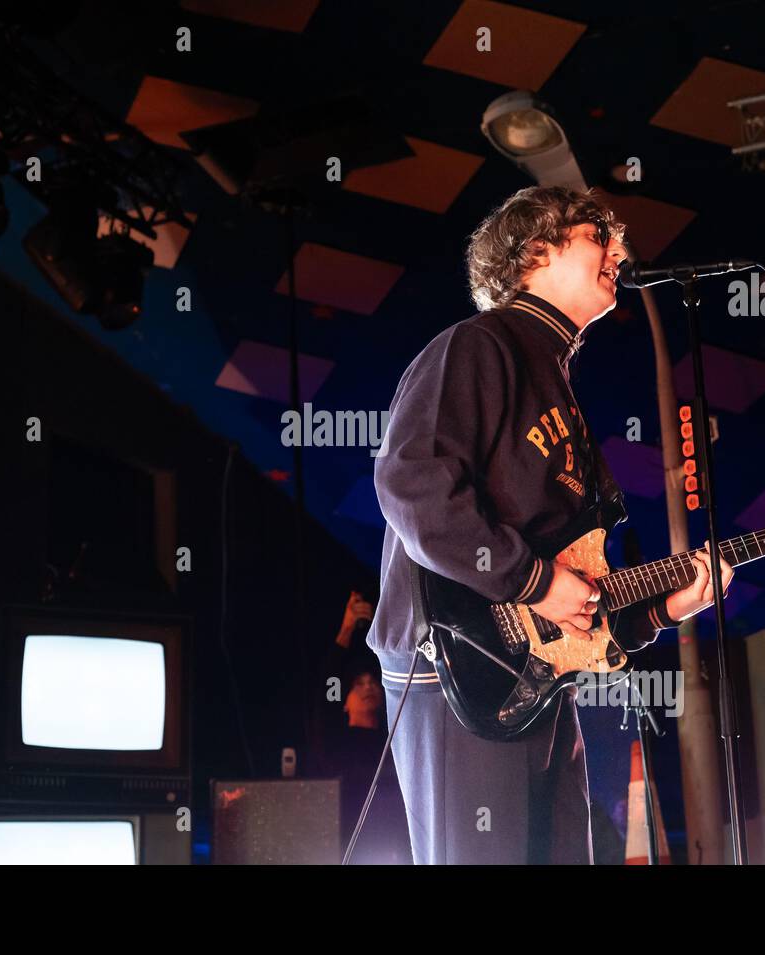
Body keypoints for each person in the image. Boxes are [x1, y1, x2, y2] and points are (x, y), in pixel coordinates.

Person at [367, 186, 733, 864]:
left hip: (537, 681)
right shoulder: (477, 346)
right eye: (597, 235)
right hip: (456, 664)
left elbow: (579, 582)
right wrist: (533, 582)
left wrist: (660, 609)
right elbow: (413, 483)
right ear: (534, 249)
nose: (619, 250)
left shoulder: (554, 375)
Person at [311, 590, 412, 865]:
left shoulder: (395, 739)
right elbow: (329, 687)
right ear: (344, 702)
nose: (368, 687)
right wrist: (346, 630)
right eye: (358, 684)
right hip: (350, 849)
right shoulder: (336, 742)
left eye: (372, 682)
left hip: (397, 845)